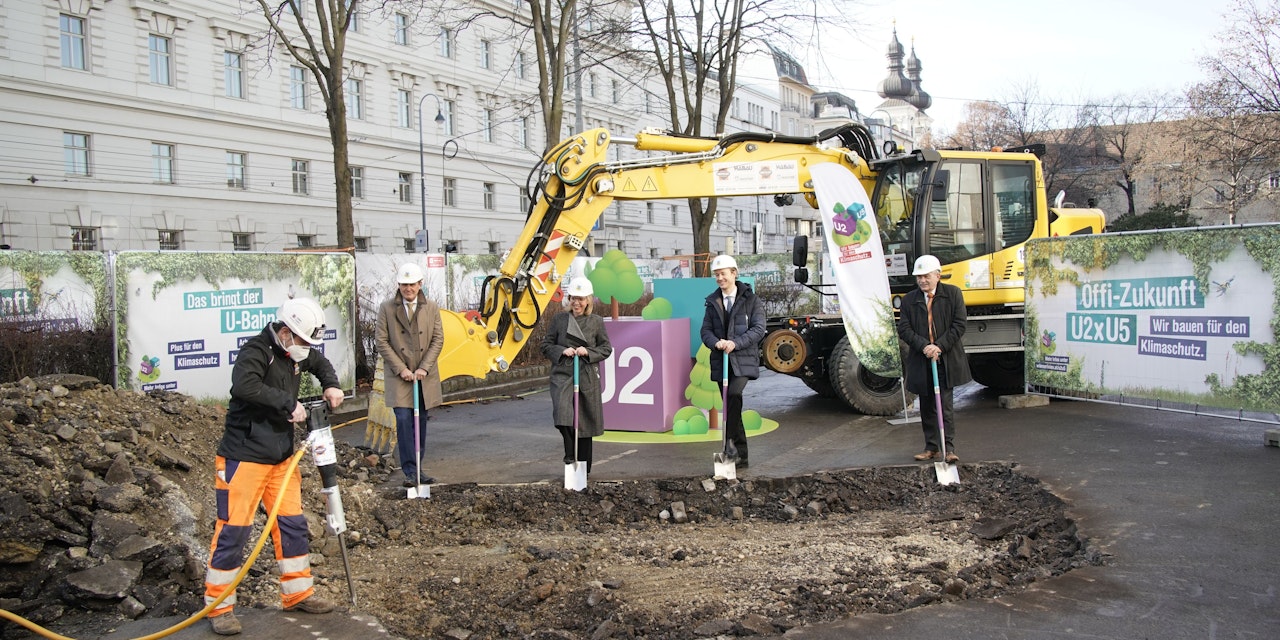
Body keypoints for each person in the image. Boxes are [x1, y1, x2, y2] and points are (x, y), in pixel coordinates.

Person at [204, 298, 344, 636]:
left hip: (281, 458)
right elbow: (245, 386)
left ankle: (297, 593)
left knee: (291, 525)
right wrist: (288, 404)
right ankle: (219, 606)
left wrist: (331, 383)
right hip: (244, 457)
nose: (305, 350)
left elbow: (319, 360)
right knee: (234, 531)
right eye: (302, 342)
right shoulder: (257, 351)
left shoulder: (294, 348)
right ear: (285, 333)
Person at [896, 254, 972, 463]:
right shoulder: (910, 300)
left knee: (944, 404)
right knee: (926, 405)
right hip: (922, 359)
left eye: (926, 276)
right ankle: (931, 447)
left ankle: (948, 448)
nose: (922, 281)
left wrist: (939, 346)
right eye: (919, 277)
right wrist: (925, 347)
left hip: (945, 359)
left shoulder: (953, 294)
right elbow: (904, 328)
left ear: (937, 276)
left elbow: (959, 325)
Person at [375, 262, 444, 487]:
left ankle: (418, 466)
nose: (408, 289)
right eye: (404, 285)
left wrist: (424, 367)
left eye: (412, 284)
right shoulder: (387, 308)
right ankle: (409, 470)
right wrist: (401, 369)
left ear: (420, 284)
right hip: (400, 375)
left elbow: (437, 339)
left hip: (423, 375)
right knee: (404, 419)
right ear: (399, 285)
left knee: (420, 420)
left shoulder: (431, 307)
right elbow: (382, 342)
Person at [700, 254, 767, 468]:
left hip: (743, 360)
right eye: (716, 275)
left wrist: (735, 343)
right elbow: (705, 331)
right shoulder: (712, 302)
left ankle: (731, 448)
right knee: (730, 406)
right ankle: (740, 454)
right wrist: (716, 343)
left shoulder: (751, 300)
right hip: (722, 362)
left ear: (734, 273)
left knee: (734, 396)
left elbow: (758, 329)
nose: (720, 278)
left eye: (723, 274)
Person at [541, 278, 612, 473]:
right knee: (563, 415)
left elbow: (606, 349)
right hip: (563, 374)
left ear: (588, 300)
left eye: (580, 299)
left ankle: (583, 471)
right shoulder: (559, 320)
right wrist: (561, 351)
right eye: (573, 298)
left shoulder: (596, 321)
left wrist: (588, 352)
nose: (576, 303)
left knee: (584, 422)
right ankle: (570, 453)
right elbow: (545, 346)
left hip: (586, 374)